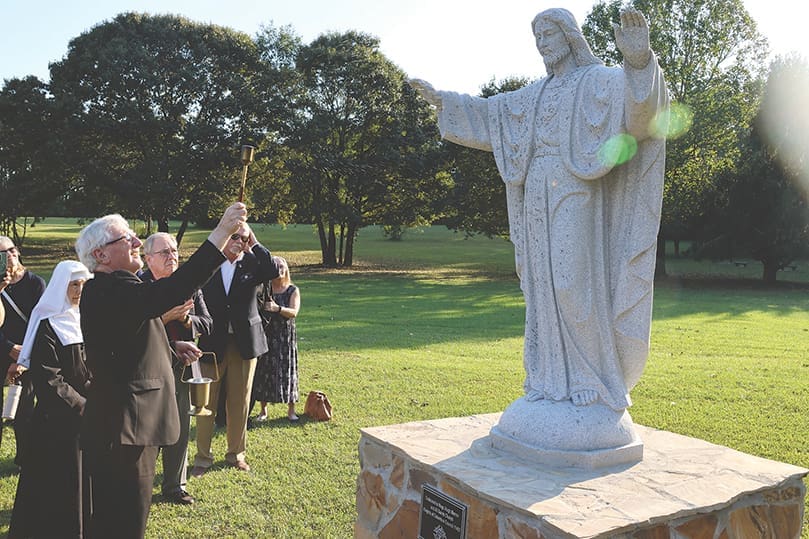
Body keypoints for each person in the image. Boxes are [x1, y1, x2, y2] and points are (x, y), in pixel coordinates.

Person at [409, 8, 667, 413]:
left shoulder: (599, 80)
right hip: (536, 191)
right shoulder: (536, 93)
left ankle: (590, 376)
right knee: (541, 284)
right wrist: (445, 101)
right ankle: (550, 377)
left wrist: (638, 60)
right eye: (537, 37)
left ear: (569, 35)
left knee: (570, 282)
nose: (542, 44)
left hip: (576, 188)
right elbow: (492, 114)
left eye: (548, 34)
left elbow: (641, 117)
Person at [75, 202, 248, 539]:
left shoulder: (116, 289)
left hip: (127, 426)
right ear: (101, 255)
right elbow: (174, 288)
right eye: (126, 239)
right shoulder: (111, 288)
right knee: (125, 522)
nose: (136, 242)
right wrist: (221, 232)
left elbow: (124, 344)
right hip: (125, 429)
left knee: (124, 517)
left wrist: (171, 347)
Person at [8, 260, 92, 539]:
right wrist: (82, 406)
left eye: (84, 284)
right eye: (74, 285)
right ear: (60, 287)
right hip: (57, 424)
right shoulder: (49, 325)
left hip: (88, 419)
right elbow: (49, 379)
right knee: (55, 487)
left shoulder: (87, 319)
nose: (79, 291)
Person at [191, 223, 279, 476]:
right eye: (234, 237)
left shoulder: (253, 263)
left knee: (240, 402)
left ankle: (236, 455)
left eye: (243, 237)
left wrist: (254, 242)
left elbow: (273, 270)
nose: (238, 241)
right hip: (212, 342)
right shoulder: (210, 263)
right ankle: (202, 457)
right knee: (206, 402)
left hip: (244, 343)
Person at [141, 232, 213, 505]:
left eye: (174, 251)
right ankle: (142, 485)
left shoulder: (189, 286)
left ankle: (175, 486)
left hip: (182, 367)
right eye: (164, 252)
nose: (172, 256)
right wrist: (163, 318)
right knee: (149, 428)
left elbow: (207, 323)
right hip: (147, 367)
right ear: (148, 259)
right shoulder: (138, 286)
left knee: (180, 425)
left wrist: (185, 320)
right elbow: (132, 328)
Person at [0, 236, 46, 467]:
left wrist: (22, 357)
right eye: (1, 254)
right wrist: (8, 349)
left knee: (24, 409)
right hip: (3, 349)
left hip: (26, 354)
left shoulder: (35, 283)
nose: (8, 256)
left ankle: (25, 459)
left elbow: (39, 324)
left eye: (11, 250)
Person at [252, 256, 301, 423]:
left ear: (286, 269)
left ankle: (291, 410)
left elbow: (294, 312)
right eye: (276, 266)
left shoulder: (292, 290)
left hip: (285, 337)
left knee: (288, 370)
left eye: (282, 266)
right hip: (267, 334)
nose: (279, 269)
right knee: (264, 371)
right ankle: (263, 410)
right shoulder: (265, 288)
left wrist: (277, 308)